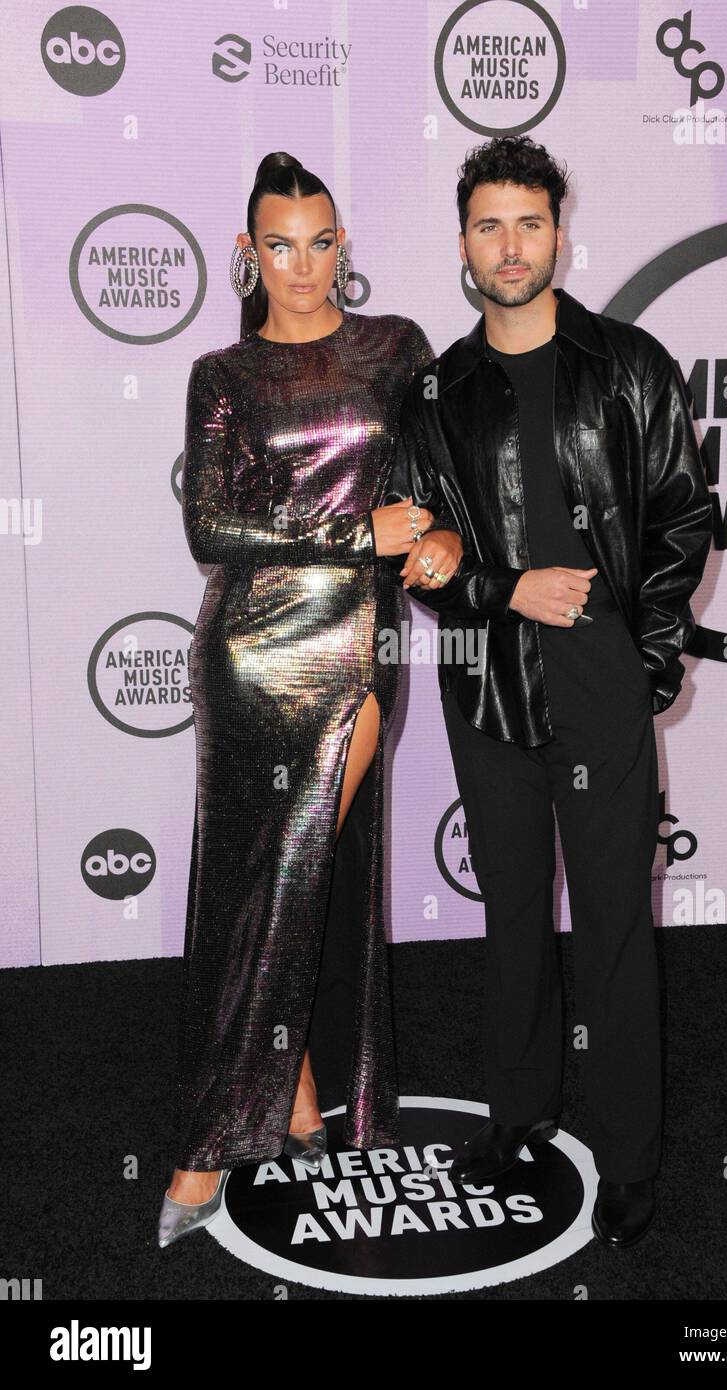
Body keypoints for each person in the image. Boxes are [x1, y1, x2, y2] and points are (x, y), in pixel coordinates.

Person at [380, 134, 712, 1248]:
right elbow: (415, 552)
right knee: (513, 913)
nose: (510, 245)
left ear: (560, 232)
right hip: (489, 680)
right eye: (489, 224)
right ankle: (516, 1110)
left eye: (529, 221)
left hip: (602, 678)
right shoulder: (437, 391)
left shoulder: (629, 363)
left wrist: (648, 661)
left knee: (615, 924)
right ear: (463, 241)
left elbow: (680, 517)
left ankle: (627, 1155)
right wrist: (503, 589)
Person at [158, 151, 461, 1248]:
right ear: (250, 252)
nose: (303, 265)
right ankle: (288, 1095)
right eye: (278, 245)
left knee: (283, 879)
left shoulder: (395, 350)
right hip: (246, 651)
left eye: (320, 241)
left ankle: (203, 1141)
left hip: (356, 648)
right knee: (264, 882)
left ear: (344, 245)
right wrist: (355, 534)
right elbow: (212, 528)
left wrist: (439, 535)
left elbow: (442, 479)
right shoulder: (221, 374)